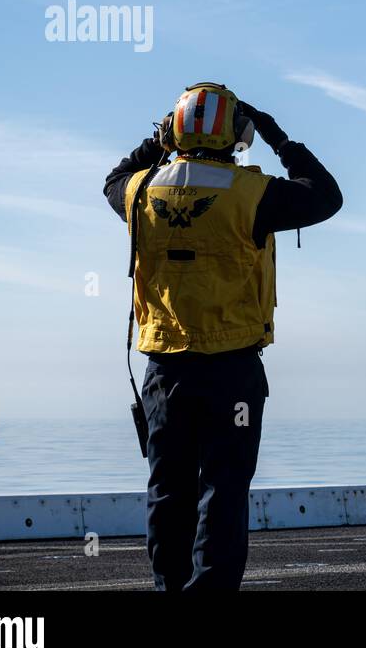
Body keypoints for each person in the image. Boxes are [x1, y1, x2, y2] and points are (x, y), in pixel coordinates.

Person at [103, 82, 342, 590]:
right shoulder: (253, 194)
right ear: (237, 133)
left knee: (167, 492)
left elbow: (113, 178)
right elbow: (326, 194)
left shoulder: (142, 191)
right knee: (224, 491)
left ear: (173, 130)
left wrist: (158, 138)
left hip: (164, 372)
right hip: (232, 371)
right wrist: (277, 135)